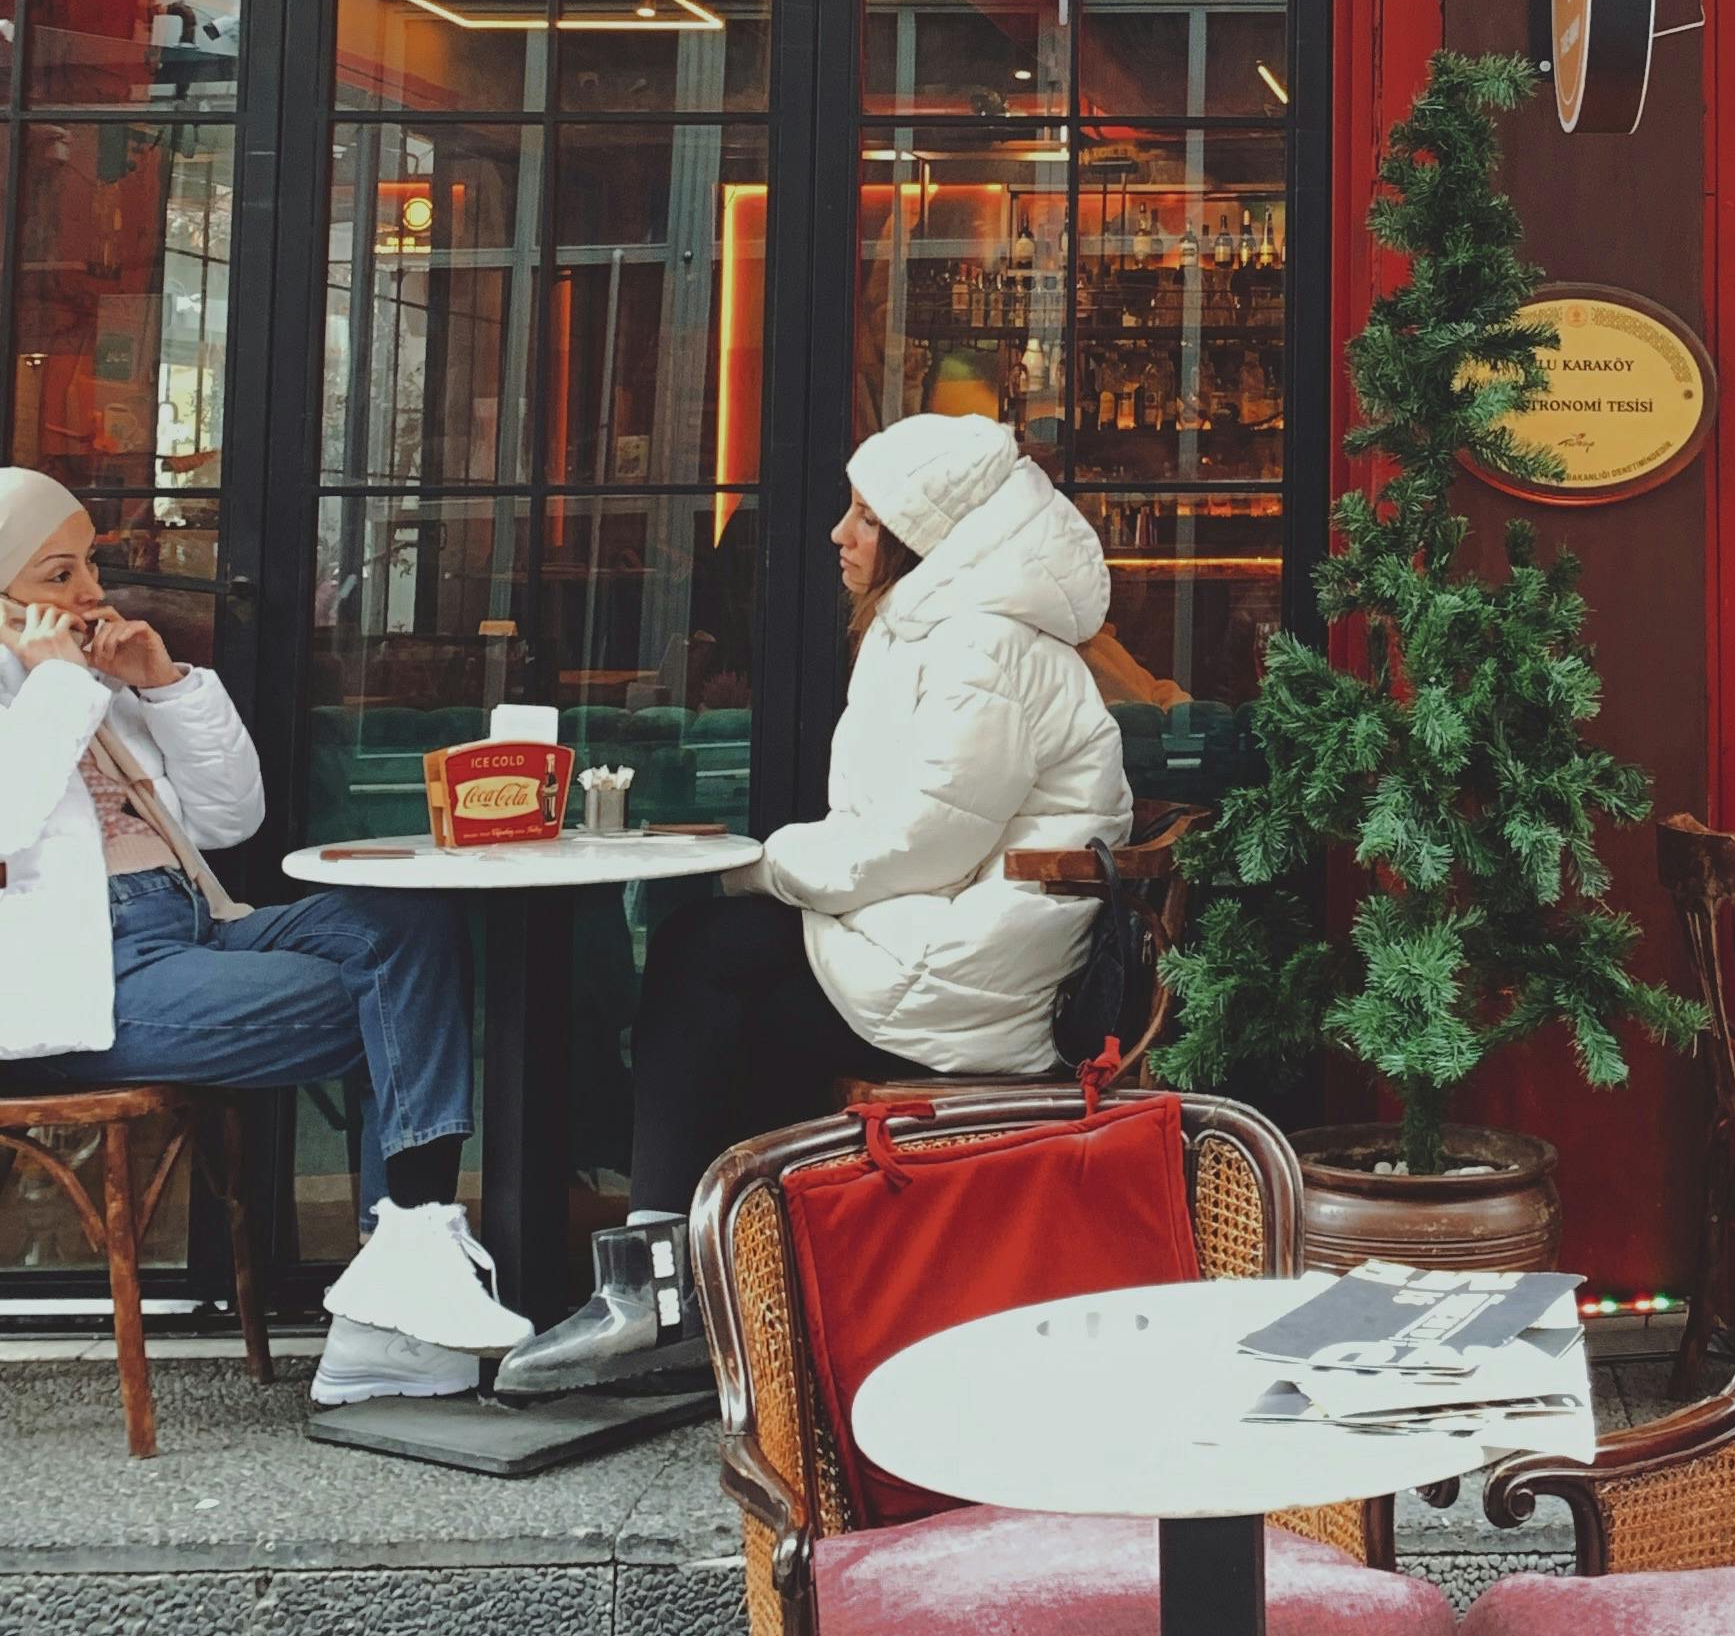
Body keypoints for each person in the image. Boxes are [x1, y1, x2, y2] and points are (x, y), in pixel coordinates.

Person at [499, 415, 1132, 1397]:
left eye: (866, 516)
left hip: (972, 968)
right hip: (945, 939)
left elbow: (923, 838)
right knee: (720, 978)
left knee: (706, 957)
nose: (839, 532)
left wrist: (760, 868)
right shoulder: (945, 632)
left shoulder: (983, 649)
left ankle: (662, 1293)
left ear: (922, 536)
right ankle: (718, 1289)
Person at [0, 467, 530, 1407]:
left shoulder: (89, 685)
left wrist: (160, 687)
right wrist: (56, 690)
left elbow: (230, 817)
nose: (91, 596)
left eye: (90, 569)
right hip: (91, 983)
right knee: (393, 1009)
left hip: (193, 927)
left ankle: (404, 1259)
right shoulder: (50, 691)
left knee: (405, 916)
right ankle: (397, 1290)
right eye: (58, 575)